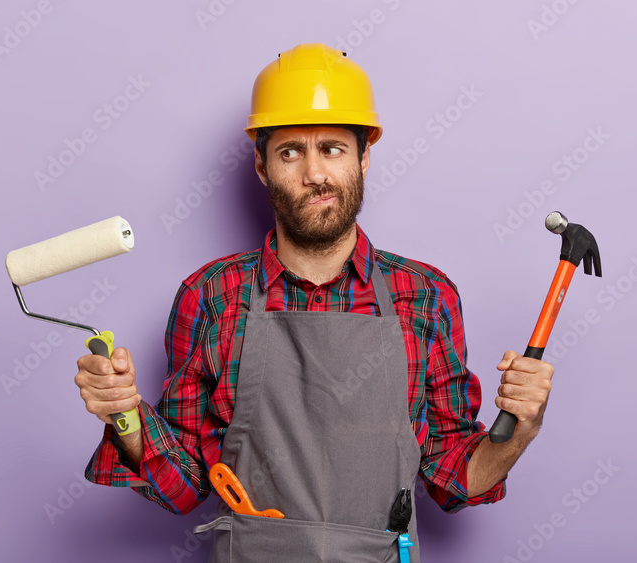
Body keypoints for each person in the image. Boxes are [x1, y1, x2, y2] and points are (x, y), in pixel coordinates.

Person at [73, 43, 553, 562]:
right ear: (261, 166)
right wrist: (125, 417)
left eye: (332, 148)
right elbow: (184, 485)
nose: (315, 173)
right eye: (289, 152)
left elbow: (454, 479)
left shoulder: (426, 297)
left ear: (363, 157)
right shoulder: (211, 296)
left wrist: (520, 430)